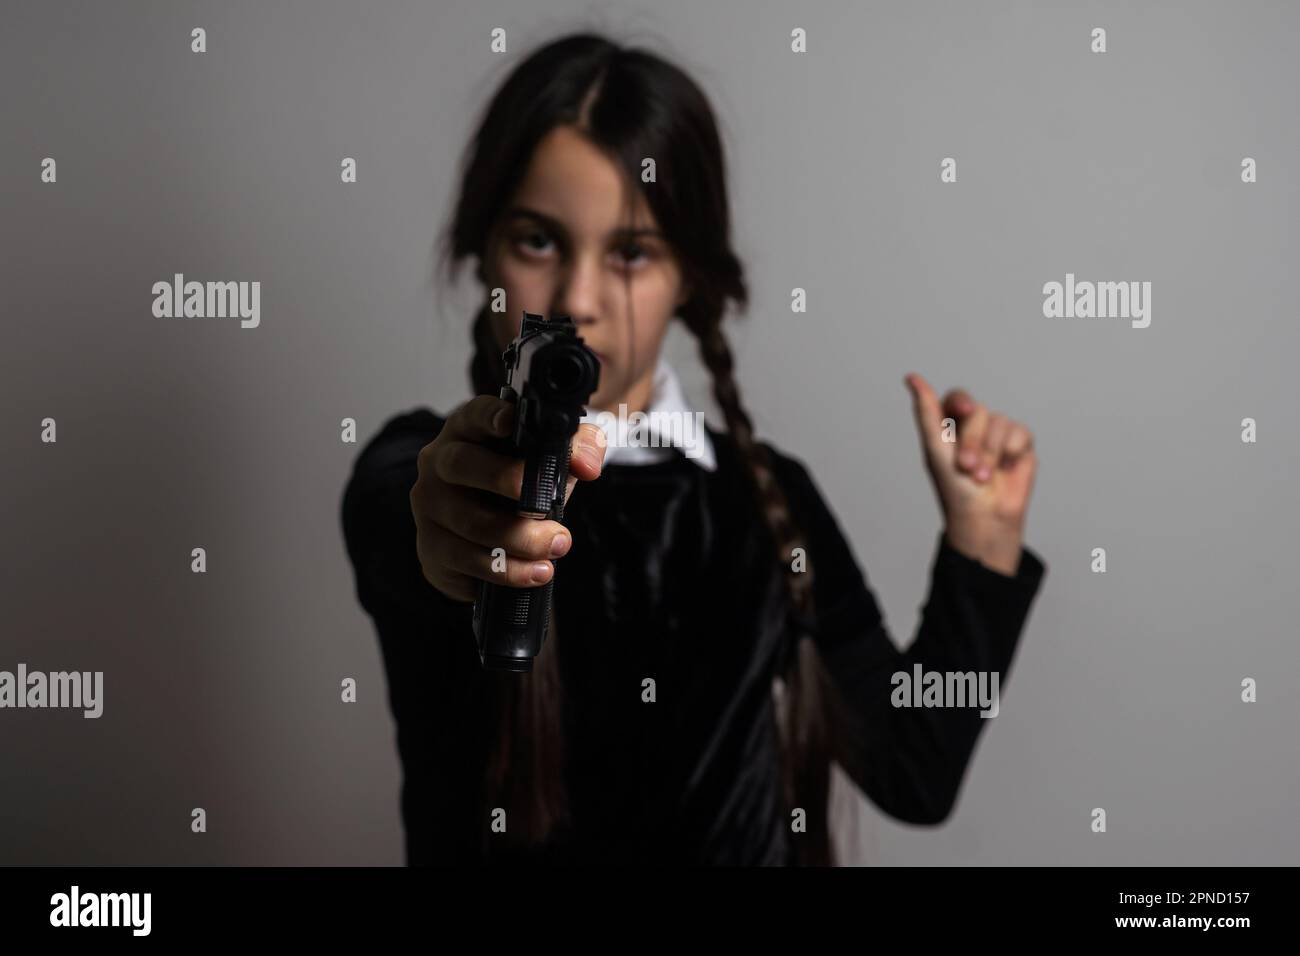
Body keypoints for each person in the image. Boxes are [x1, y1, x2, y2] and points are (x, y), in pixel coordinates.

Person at [341, 31, 1047, 866]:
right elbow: (419, 518)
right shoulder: (417, 467)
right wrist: (459, 518)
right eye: (537, 240)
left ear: (691, 277)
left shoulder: (770, 498)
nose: (576, 299)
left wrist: (982, 546)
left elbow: (912, 770)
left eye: (631, 252)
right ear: (481, 248)